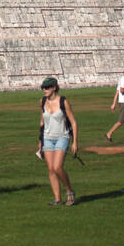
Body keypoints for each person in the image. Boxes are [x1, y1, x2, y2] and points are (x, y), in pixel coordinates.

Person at [38, 76, 77, 206]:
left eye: (47, 87)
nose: (44, 90)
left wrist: (75, 142)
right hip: (47, 139)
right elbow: (42, 122)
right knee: (50, 169)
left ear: (54, 88)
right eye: (43, 88)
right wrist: (40, 141)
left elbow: (73, 122)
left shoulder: (63, 101)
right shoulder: (42, 101)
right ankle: (57, 198)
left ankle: (69, 191)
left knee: (57, 167)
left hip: (62, 137)